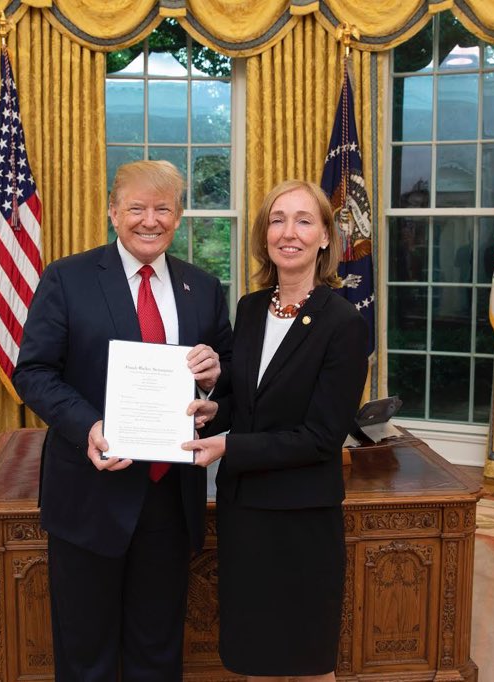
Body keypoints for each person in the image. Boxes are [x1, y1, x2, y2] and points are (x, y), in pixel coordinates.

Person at [12, 160, 233, 681]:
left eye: (163, 209)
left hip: (170, 495)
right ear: (114, 212)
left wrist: (213, 378)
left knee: (158, 648)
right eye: (136, 208)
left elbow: (226, 375)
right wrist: (88, 425)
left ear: (178, 217)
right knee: (86, 651)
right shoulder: (67, 278)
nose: (149, 220)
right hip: (91, 490)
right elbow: (35, 372)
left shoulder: (201, 287)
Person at [184, 179, 368, 681]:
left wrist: (228, 445)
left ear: (326, 238)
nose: (289, 232)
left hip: (301, 517)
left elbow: (322, 437)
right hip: (246, 514)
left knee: (308, 661)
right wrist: (210, 411)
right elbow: (244, 401)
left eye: (304, 220)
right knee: (254, 657)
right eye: (278, 219)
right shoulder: (249, 308)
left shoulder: (343, 322)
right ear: (265, 233)